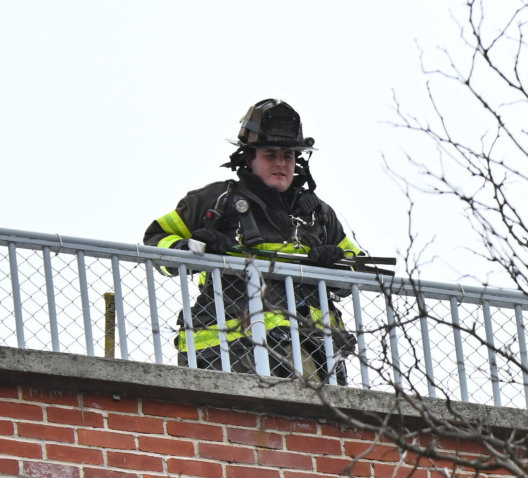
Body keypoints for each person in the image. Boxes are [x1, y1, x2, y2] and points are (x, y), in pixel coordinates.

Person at [143, 99, 364, 375]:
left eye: (289, 155)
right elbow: (155, 240)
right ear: (249, 158)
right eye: (271, 154)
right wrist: (191, 248)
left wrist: (336, 265)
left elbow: (360, 268)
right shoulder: (218, 200)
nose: (281, 163)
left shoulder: (317, 214)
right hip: (228, 350)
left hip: (316, 350)